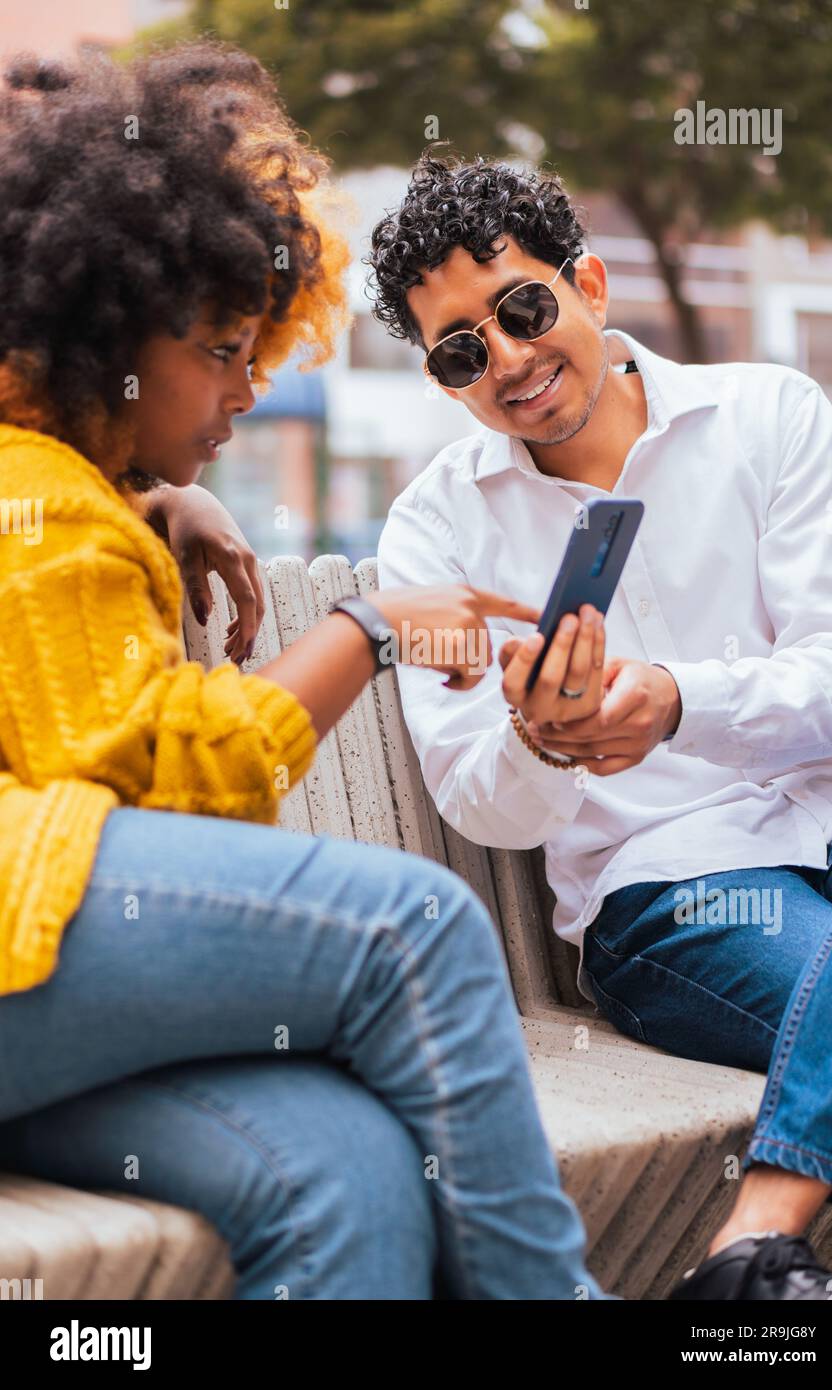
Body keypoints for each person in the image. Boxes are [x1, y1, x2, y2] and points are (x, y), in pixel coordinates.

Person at [0, 41, 615, 1301]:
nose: (248, 387)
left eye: (255, 346)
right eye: (223, 348)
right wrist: (372, 624)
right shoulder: (37, 511)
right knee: (418, 923)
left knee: (338, 1173)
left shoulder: (63, 495)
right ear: (106, 328)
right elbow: (182, 782)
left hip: (38, 1006)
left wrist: (151, 488)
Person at [371, 150, 832, 1300]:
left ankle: (751, 1244)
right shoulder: (433, 532)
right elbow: (471, 795)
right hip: (667, 890)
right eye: (459, 350)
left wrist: (678, 700)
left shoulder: (767, 415)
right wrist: (540, 739)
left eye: (521, 307)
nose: (505, 360)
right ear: (443, 380)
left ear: (587, 285)